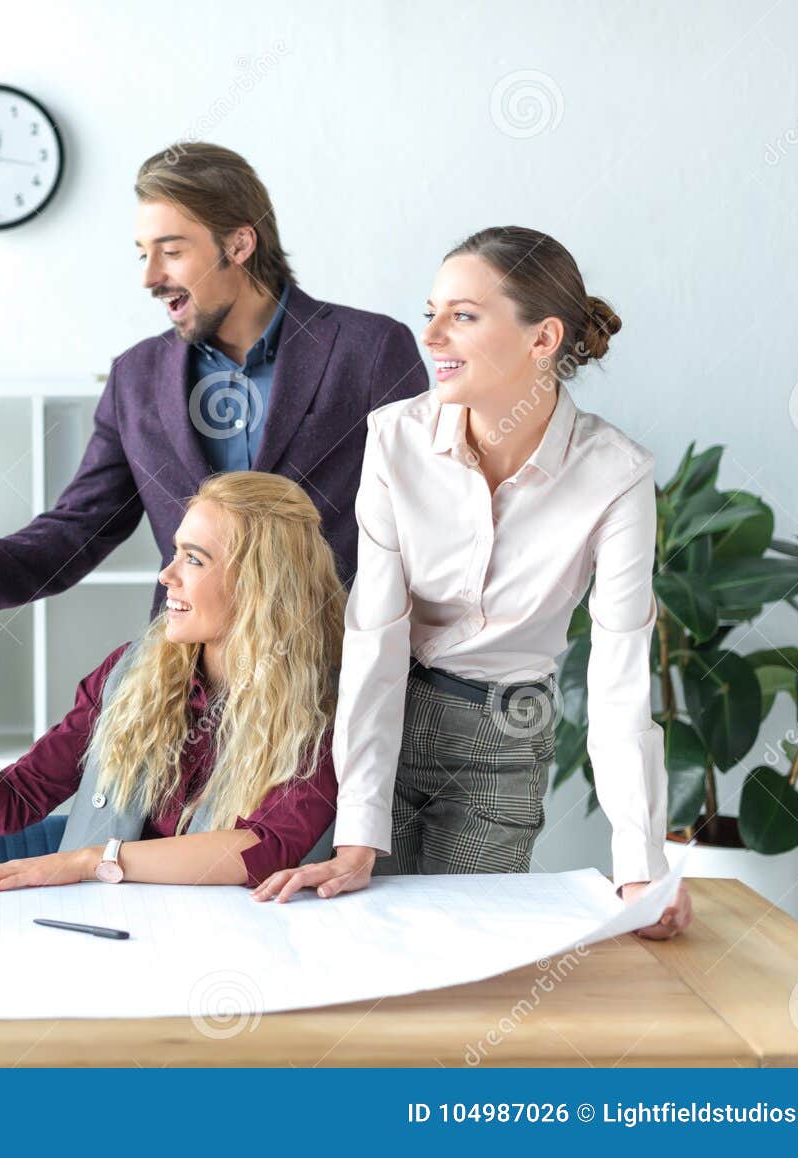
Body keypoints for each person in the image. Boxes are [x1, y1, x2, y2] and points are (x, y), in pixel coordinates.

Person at [254, 226, 692, 940]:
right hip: (385, 721)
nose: (429, 335)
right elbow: (375, 637)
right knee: (361, 938)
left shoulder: (616, 475)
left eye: (462, 314)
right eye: (431, 310)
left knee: (463, 947)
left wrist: (639, 863)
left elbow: (619, 678)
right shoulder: (393, 438)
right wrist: (358, 832)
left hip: (505, 734)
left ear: (542, 337)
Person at [0, 142, 426, 624]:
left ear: (239, 244)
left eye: (171, 252)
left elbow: (424, 518)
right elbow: (79, 527)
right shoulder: (136, 378)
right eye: (143, 254)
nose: (151, 277)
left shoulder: (370, 350)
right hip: (187, 680)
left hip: (337, 670)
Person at [0, 472, 342, 889]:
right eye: (175, 553)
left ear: (260, 584)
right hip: (101, 939)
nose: (167, 576)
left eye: (194, 558)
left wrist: (91, 860)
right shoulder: (128, 672)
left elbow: (264, 849)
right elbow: (5, 806)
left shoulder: (321, 708)